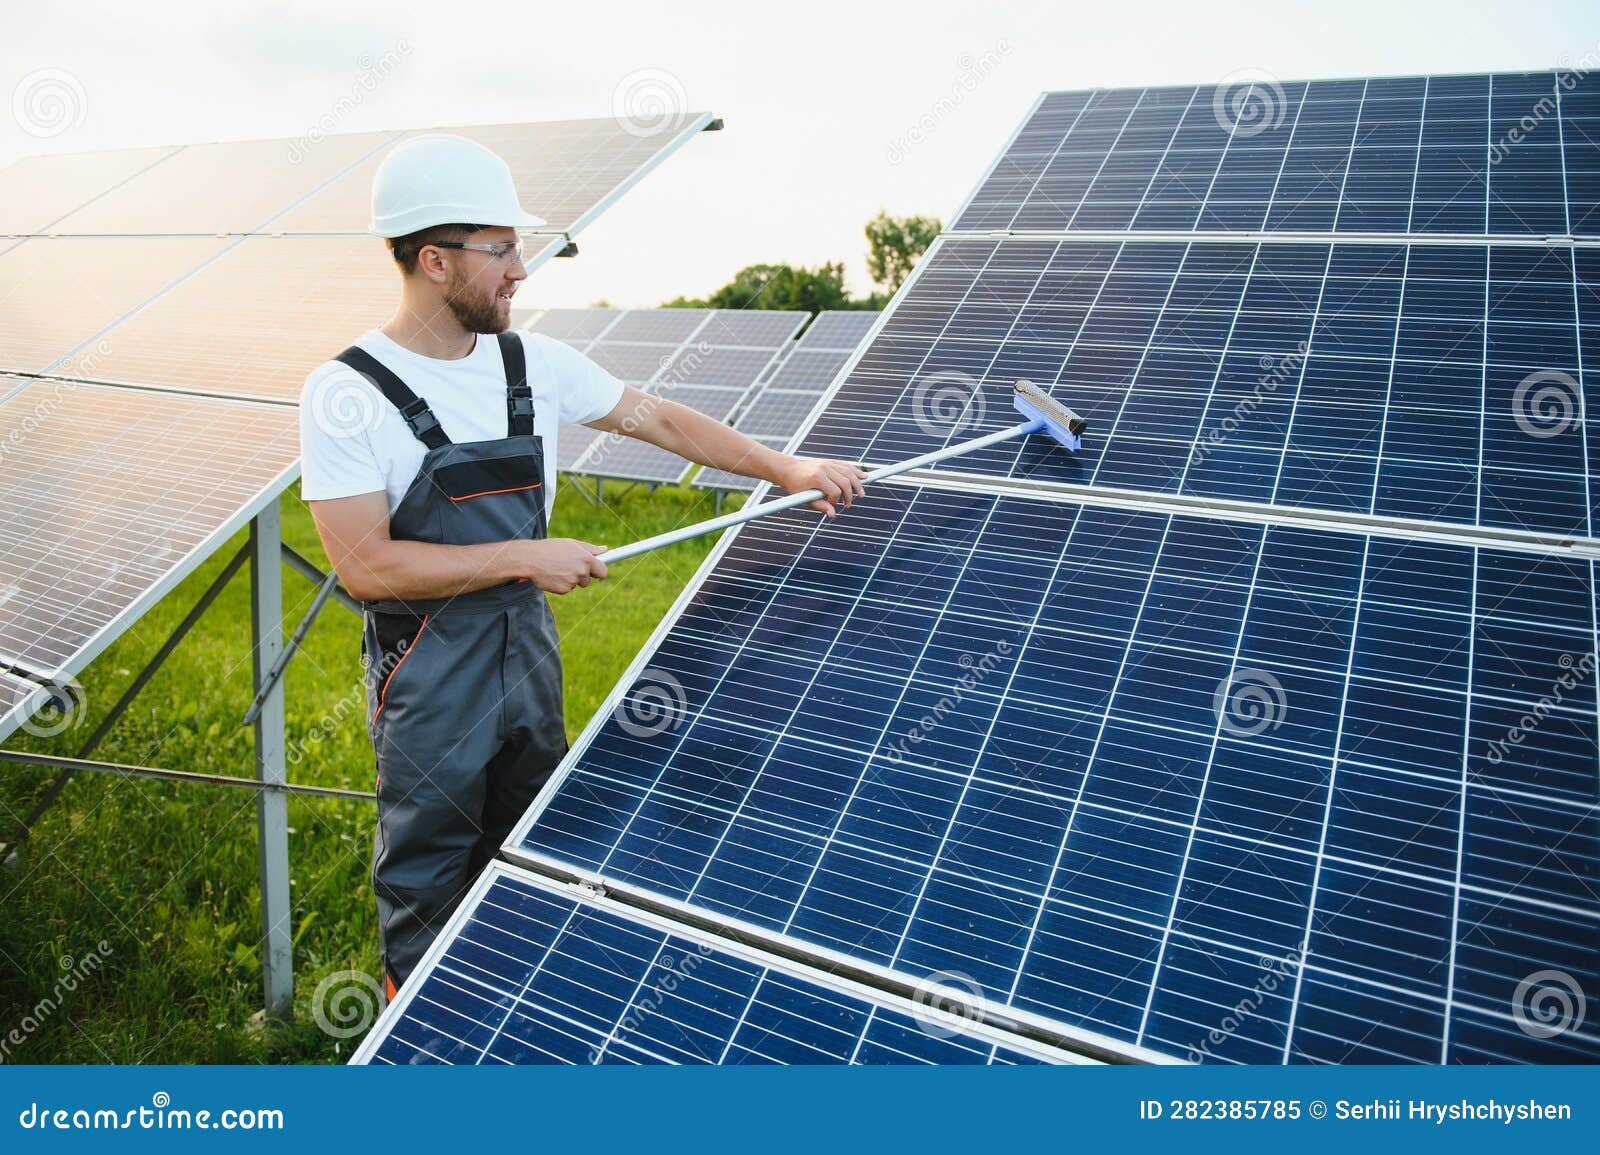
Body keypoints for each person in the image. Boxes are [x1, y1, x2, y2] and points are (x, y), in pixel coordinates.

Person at [297, 133, 867, 998]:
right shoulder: (348, 393)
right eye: (501, 249)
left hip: (526, 649)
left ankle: (518, 1021)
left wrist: (784, 468)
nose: (521, 269)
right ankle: (413, 1041)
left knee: (533, 843)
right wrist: (525, 555)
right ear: (435, 262)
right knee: (427, 870)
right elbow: (367, 567)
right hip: (427, 665)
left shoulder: (533, 362)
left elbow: (662, 421)